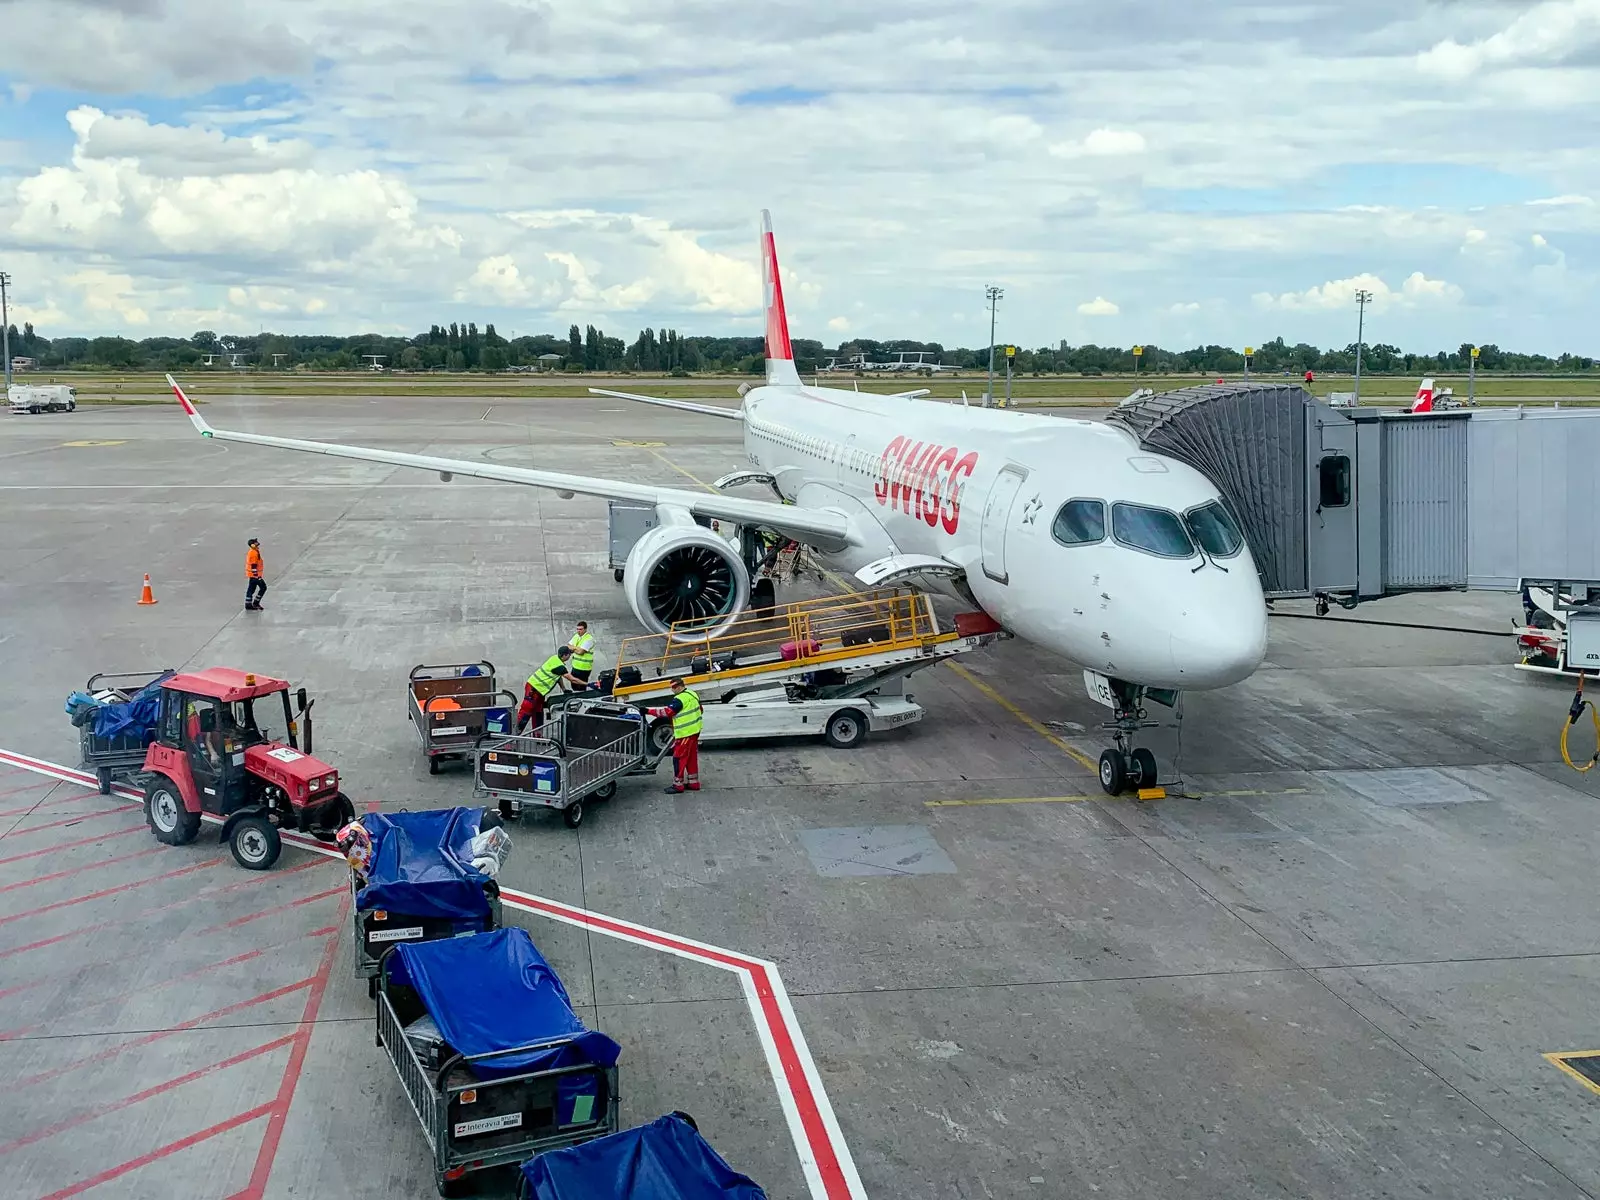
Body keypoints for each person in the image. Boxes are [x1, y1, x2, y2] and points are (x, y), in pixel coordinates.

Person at [647, 677, 702, 794]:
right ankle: (694, 783)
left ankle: (678, 785)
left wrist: (648, 711)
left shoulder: (679, 699)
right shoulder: (692, 694)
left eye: (674, 687)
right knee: (691, 758)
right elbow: (700, 710)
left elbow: (667, 712)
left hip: (685, 733)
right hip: (695, 731)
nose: (672, 690)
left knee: (679, 759)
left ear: (679, 686)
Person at [516, 646, 575, 733]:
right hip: (534, 688)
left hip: (539, 691)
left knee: (538, 712)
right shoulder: (559, 665)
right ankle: (512, 736)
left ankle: (538, 736)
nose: (570, 656)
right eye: (569, 654)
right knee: (526, 711)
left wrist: (563, 689)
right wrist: (586, 684)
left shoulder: (555, 659)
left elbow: (557, 676)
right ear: (565, 655)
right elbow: (570, 678)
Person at [244, 538, 266, 612]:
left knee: (251, 589)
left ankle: (249, 604)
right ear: (252, 545)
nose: (257, 543)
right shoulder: (253, 553)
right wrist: (257, 576)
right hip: (255, 575)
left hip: (253, 575)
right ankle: (255, 603)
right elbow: (253, 565)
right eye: (255, 542)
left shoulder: (255, 551)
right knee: (263, 587)